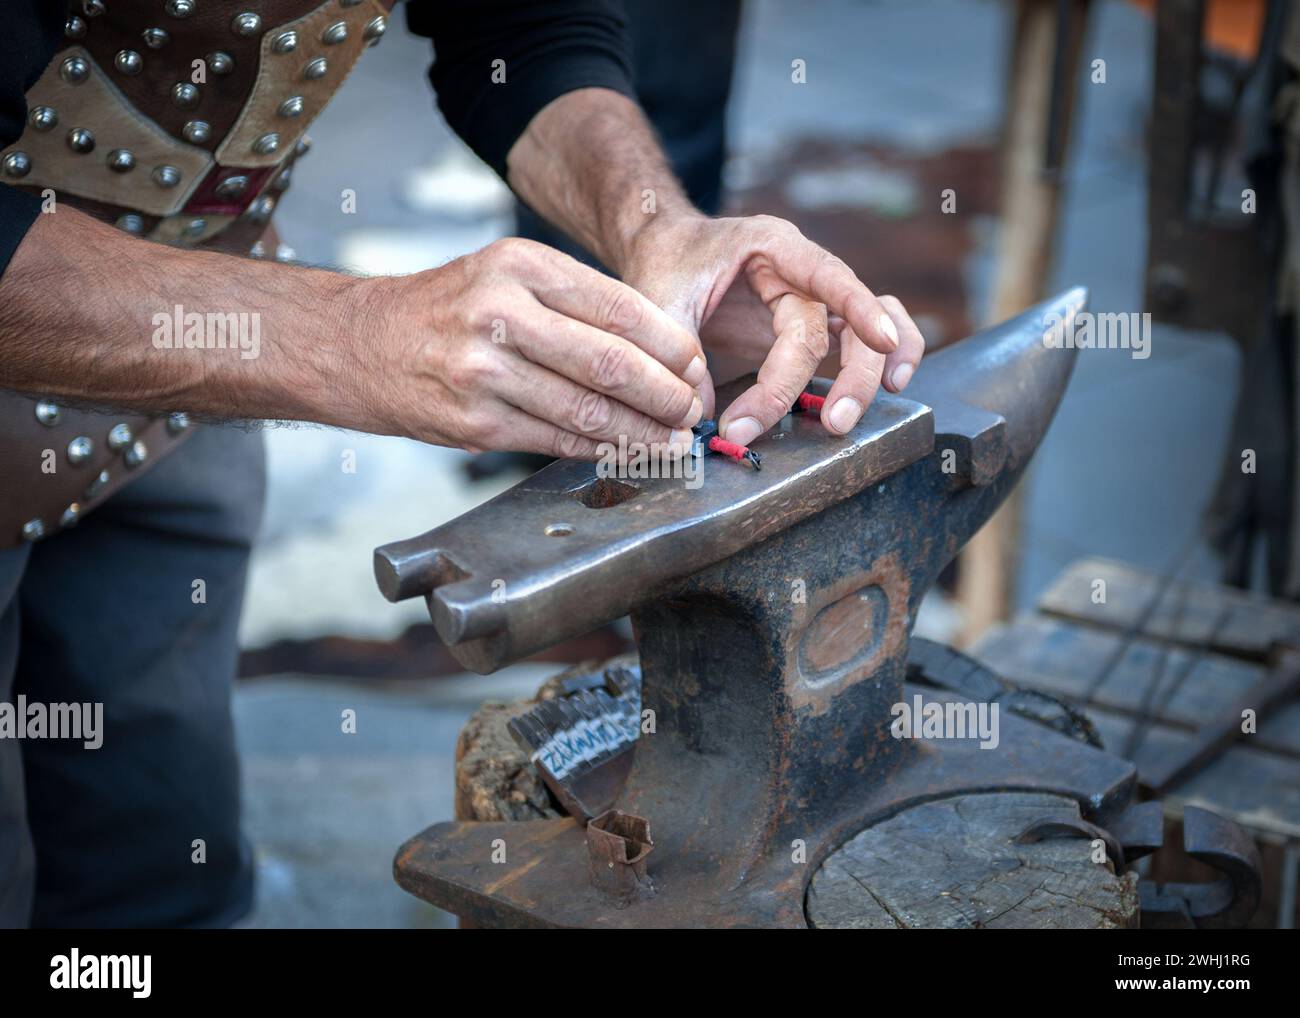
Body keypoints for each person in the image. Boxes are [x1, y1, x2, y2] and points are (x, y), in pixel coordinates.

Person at [0, 0, 925, 927]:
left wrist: (655, 225)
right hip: (135, 331)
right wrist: (350, 336)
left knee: (158, 855)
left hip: (180, 403)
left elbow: (519, 31)